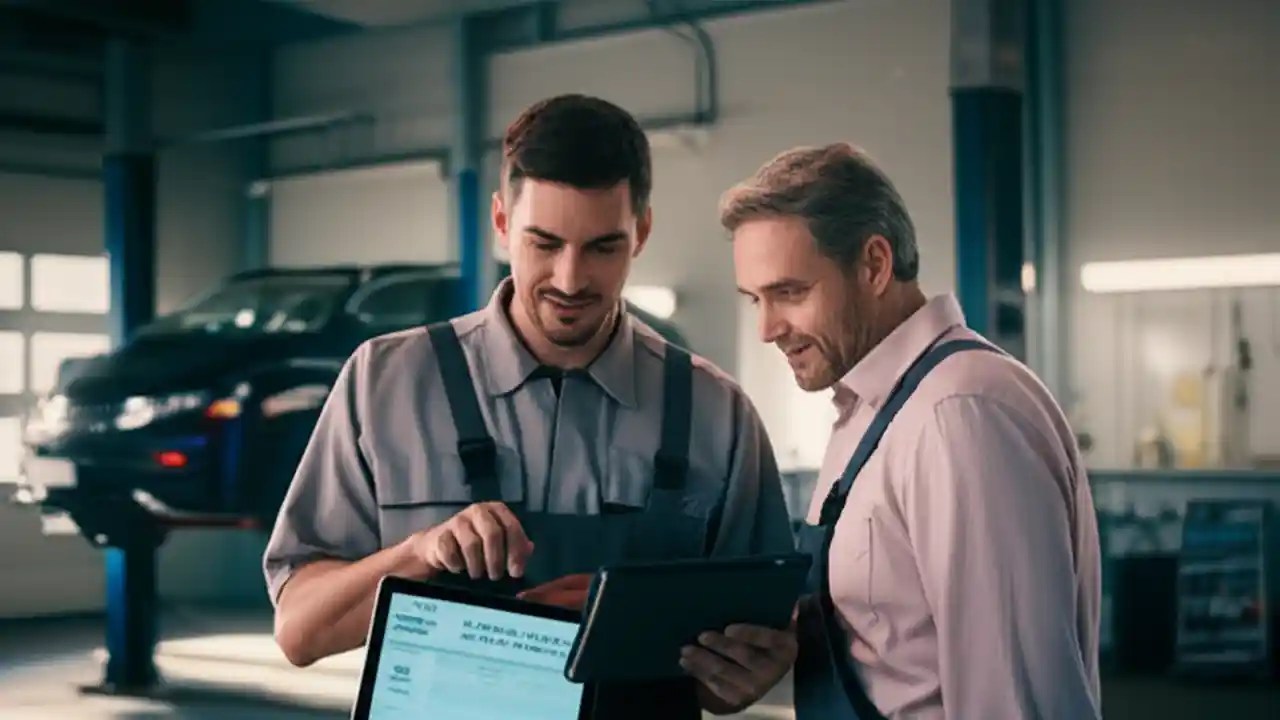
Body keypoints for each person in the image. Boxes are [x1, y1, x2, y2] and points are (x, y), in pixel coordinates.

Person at [262, 94, 797, 717]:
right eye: (543, 243)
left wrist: (743, 671)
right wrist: (420, 553)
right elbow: (300, 632)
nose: (570, 280)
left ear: (641, 233)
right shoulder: (385, 383)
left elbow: (754, 645)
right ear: (500, 222)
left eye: (603, 247)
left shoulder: (717, 413)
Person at [722, 143, 1102, 719]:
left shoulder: (958, 412)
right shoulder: (875, 408)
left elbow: (1011, 700)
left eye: (790, 293)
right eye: (755, 299)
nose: (767, 328)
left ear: (874, 264)